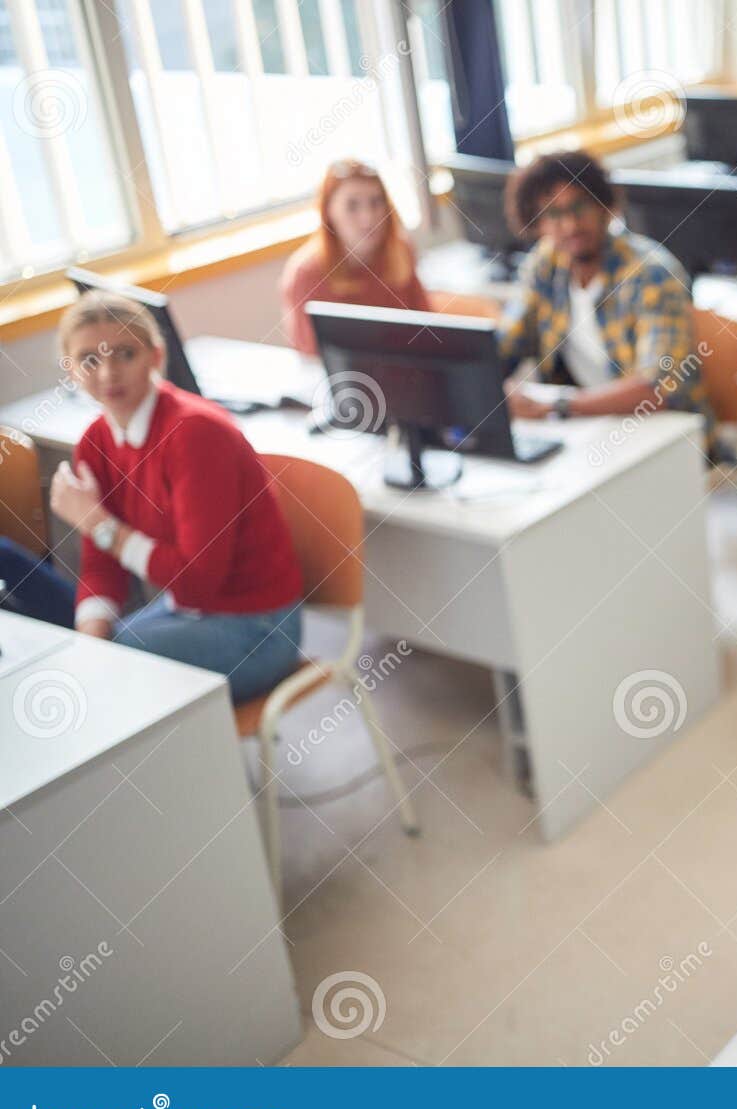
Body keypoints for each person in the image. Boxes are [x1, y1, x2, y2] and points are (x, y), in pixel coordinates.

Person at [22, 291, 304, 702]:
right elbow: (102, 567)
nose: (107, 374)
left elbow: (198, 585)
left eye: (124, 354)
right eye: (89, 360)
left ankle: (208, 766)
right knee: (89, 662)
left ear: (156, 356)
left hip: (259, 626)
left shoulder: (195, 435)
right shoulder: (95, 443)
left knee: (111, 681)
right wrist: (91, 637)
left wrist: (99, 524)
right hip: (189, 612)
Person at [497, 149, 709, 432]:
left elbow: (658, 387)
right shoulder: (545, 264)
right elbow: (505, 346)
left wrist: (559, 406)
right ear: (537, 223)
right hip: (590, 429)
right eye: (554, 214)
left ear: (605, 207)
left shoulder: (651, 273)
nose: (571, 225)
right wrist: (496, 385)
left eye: (580, 207)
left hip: (665, 437)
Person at [280, 159, 432, 356]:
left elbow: (426, 330)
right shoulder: (306, 274)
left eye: (376, 202)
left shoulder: (401, 251)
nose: (368, 218)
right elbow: (313, 358)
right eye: (352, 206)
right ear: (328, 212)